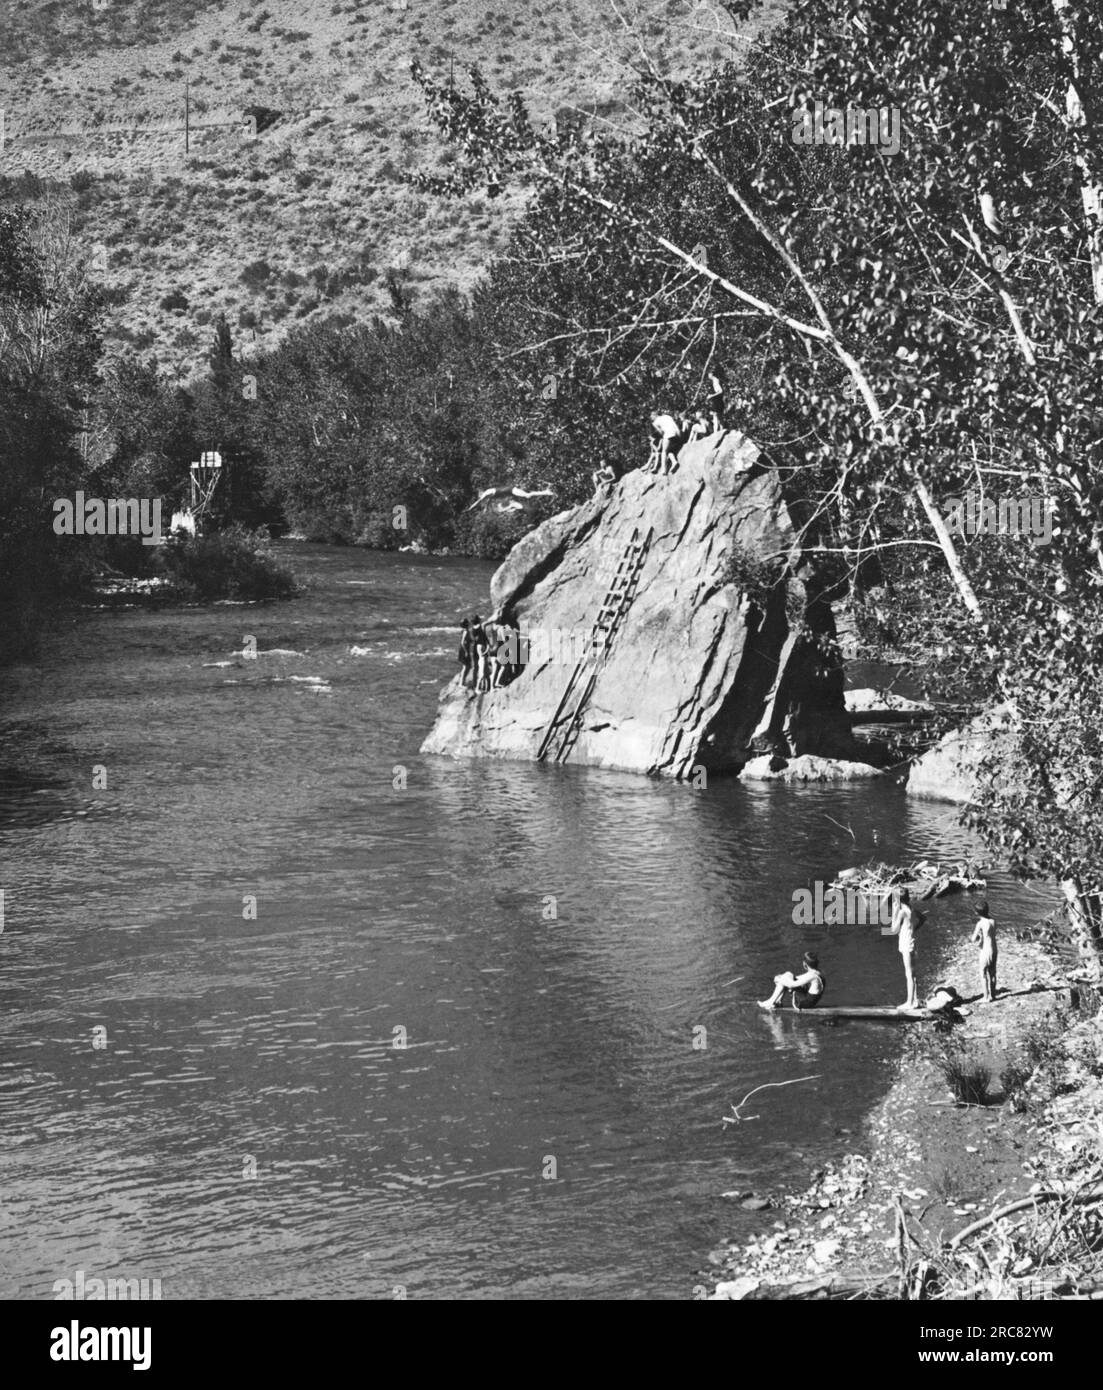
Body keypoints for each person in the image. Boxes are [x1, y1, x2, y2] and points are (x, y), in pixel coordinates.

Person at [758, 951, 826, 1011]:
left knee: (785, 980)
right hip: (809, 999)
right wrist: (781, 977)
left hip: (803, 1004)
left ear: (804, 964)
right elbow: (797, 978)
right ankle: (776, 1002)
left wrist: (779, 979)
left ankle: (771, 1002)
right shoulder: (817, 972)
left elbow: (791, 985)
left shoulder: (812, 976)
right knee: (788, 974)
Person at [892, 888, 921, 1009]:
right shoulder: (911, 908)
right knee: (913, 974)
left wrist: (894, 911)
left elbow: (893, 930)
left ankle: (909, 1003)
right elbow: (921, 919)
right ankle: (915, 1000)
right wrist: (912, 929)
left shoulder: (902, 912)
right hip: (912, 941)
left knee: (909, 974)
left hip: (906, 943)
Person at [971, 901, 998, 1002]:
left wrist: (979, 937)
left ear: (977, 913)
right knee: (993, 973)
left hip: (985, 951)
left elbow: (973, 939)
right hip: (994, 950)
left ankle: (986, 997)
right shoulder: (993, 921)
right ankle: (993, 995)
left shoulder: (980, 923)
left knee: (983, 974)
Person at [457, 618, 474, 687]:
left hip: (463, 650)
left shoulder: (465, 631)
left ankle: (462, 681)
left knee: (467, 666)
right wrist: (466, 652)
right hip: (464, 650)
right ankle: (461, 683)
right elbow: (462, 642)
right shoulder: (466, 632)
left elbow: (468, 640)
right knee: (466, 666)